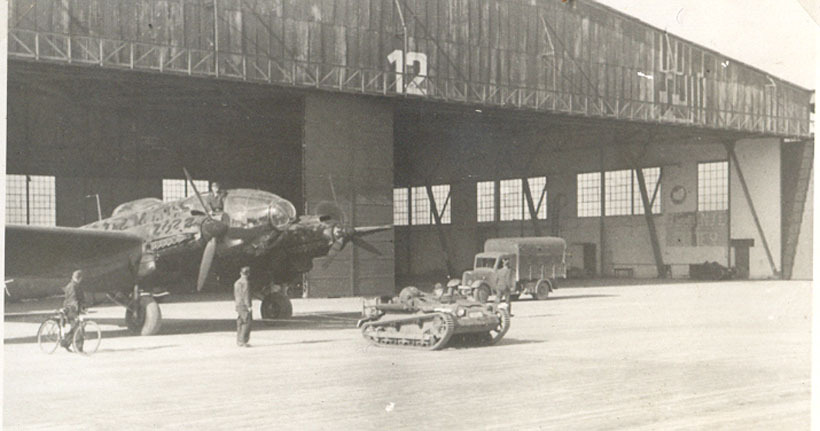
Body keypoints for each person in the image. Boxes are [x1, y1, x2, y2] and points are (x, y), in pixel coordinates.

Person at [62, 270, 86, 350]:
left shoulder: (76, 285)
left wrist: (82, 307)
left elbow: (80, 298)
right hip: (71, 310)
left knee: (75, 327)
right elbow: (73, 300)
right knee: (79, 327)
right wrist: (79, 309)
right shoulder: (72, 286)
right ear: (80, 278)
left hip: (72, 309)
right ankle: (78, 348)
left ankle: (66, 342)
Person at [234, 266, 252, 347]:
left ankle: (239, 340)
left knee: (240, 322)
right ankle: (243, 341)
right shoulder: (245, 282)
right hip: (244, 305)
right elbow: (246, 294)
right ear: (248, 274)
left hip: (238, 304)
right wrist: (249, 306)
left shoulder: (237, 282)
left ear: (240, 273)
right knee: (247, 322)